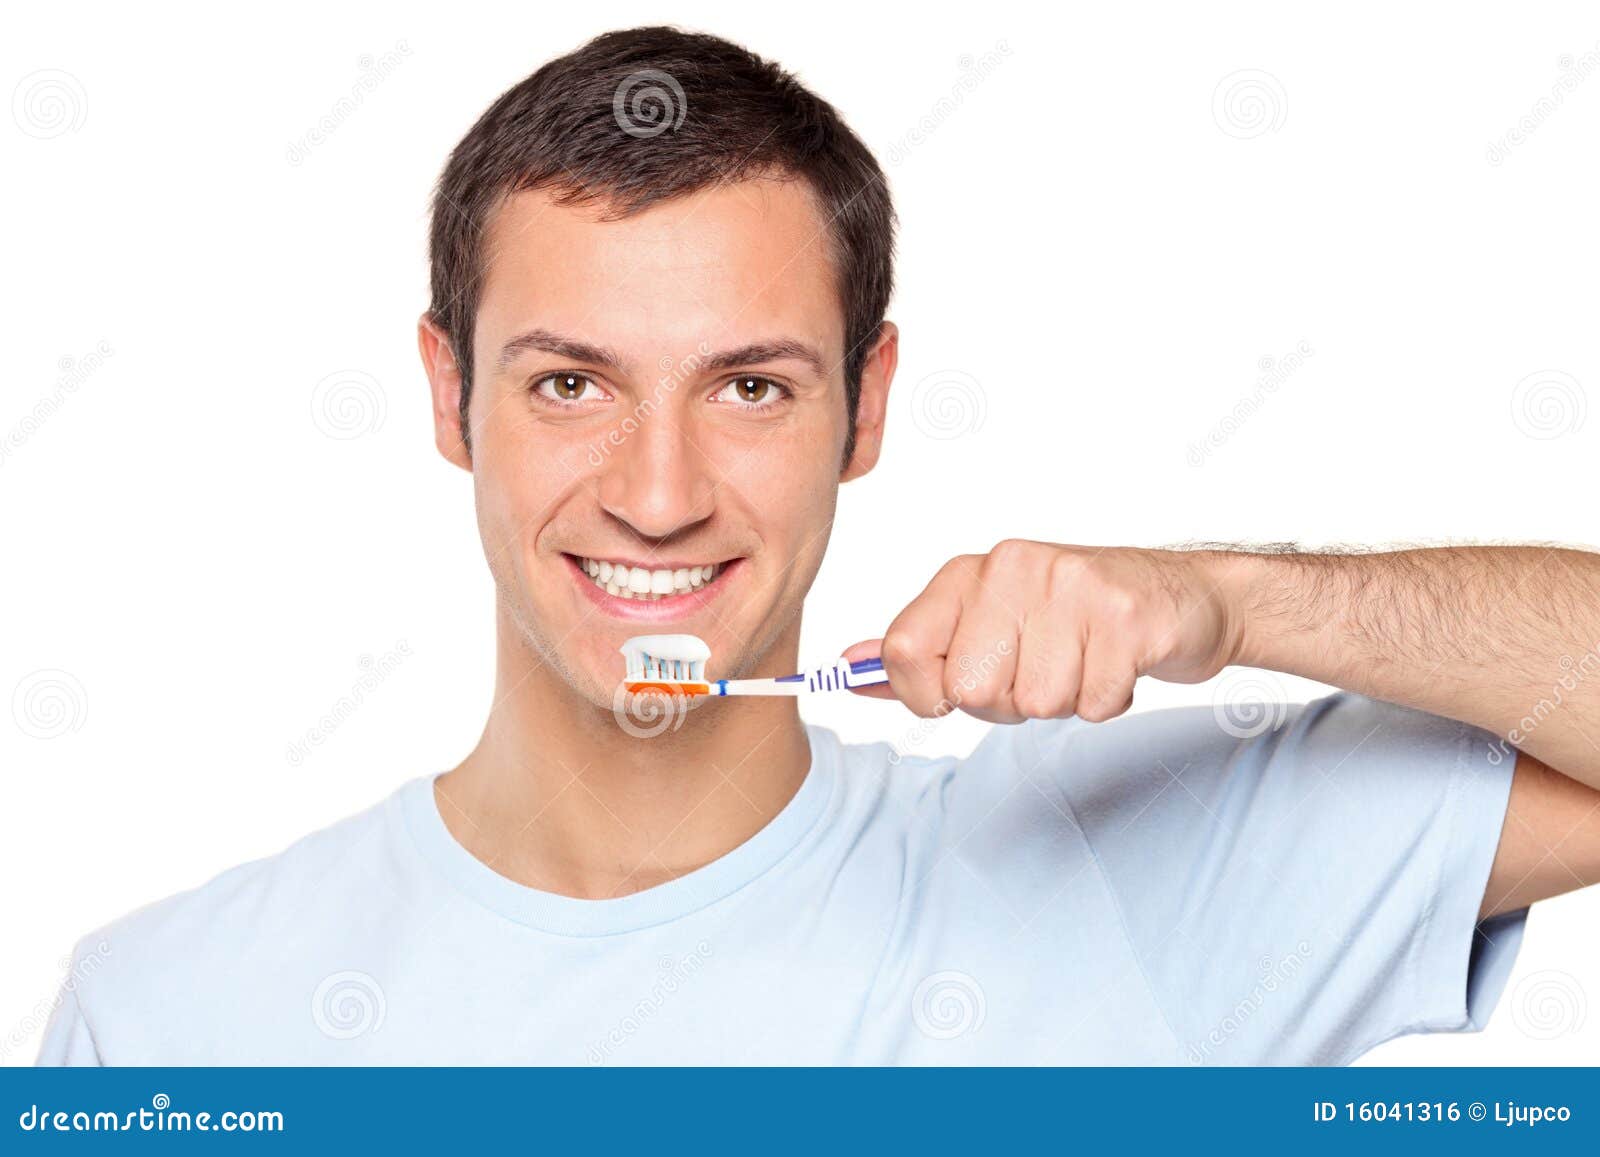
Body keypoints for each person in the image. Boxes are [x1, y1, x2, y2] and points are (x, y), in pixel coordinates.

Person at [39, 25, 1600, 1066]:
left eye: (751, 387)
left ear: (867, 406)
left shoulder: (1140, 881)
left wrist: (1228, 603)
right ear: (452, 394)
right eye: (571, 383)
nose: (657, 492)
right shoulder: (171, 1022)